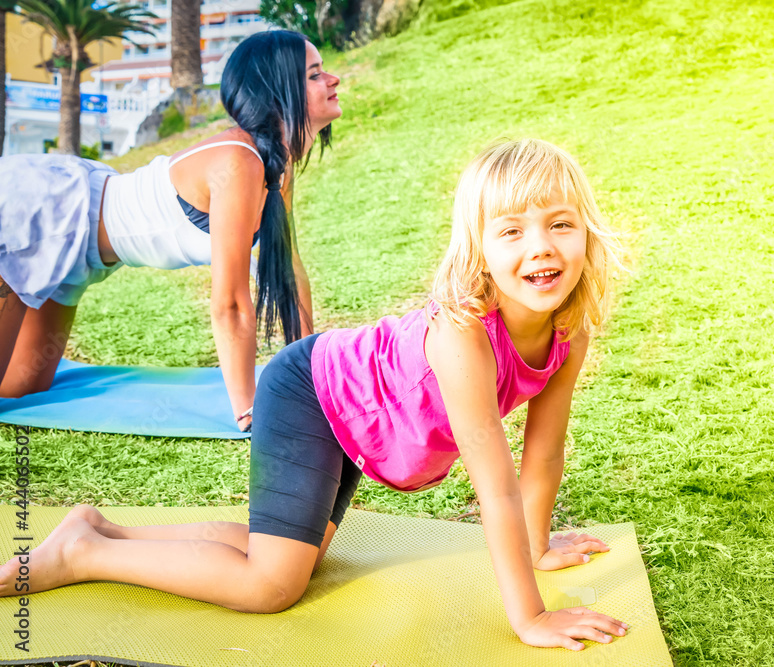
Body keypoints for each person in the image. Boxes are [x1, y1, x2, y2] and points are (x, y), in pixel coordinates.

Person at [0, 139, 628, 651]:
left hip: (361, 420)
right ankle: (81, 555)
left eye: (560, 225)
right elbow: (496, 486)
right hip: (314, 394)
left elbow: (543, 456)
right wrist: (530, 618)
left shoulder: (567, 334)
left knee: (290, 556)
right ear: (479, 253)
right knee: (271, 585)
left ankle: (101, 531)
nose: (541, 246)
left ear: (587, 232)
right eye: (511, 231)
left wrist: (539, 547)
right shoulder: (463, 335)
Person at [0, 30, 342, 432]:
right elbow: (230, 303)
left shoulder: (274, 169)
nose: (334, 79)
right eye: (315, 74)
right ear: (277, 91)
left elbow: (288, 272)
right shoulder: (238, 161)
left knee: (21, 391)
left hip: (81, 258)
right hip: (44, 214)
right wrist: (250, 411)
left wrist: (310, 378)